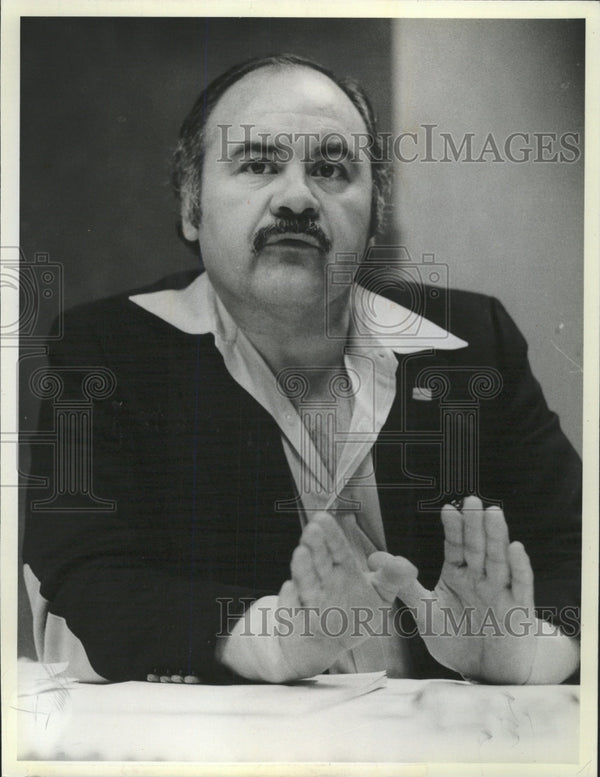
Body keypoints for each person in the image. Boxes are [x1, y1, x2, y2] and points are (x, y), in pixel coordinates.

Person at [22, 54, 581, 685]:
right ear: (191, 207)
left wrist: (525, 650)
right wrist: (274, 640)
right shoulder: (111, 352)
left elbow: (577, 547)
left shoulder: (473, 343)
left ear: (374, 219)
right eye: (258, 164)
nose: (296, 197)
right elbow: (89, 573)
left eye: (331, 170)